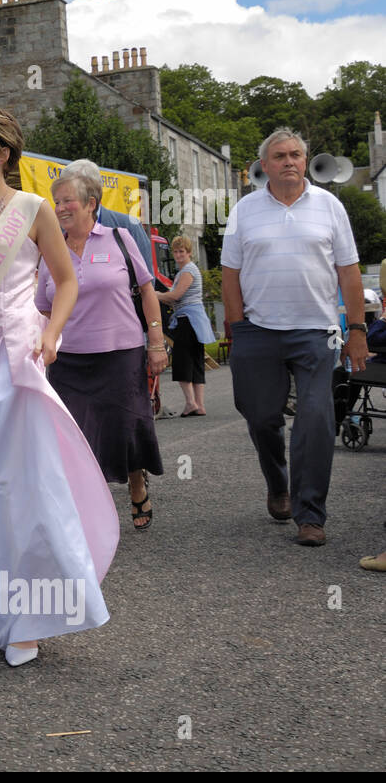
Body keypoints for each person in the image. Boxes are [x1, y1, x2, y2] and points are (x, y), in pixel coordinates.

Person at [0, 103, 118, 668]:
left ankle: (27, 617)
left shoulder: (33, 209)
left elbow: (65, 281)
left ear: (1, 153)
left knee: (17, 487)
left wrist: (53, 333)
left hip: (14, 360)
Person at [222, 128, 366, 546]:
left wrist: (356, 329)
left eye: (296, 155)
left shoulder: (330, 206)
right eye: (280, 156)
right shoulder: (244, 210)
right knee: (262, 417)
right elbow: (230, 275)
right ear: (264, 165)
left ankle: (310, 513)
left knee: (316, 419)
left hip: (316, 332)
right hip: (259, 330)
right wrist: (237, 328)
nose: (289, 161)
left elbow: (349, 272)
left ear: (306, 162)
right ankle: (277, 482)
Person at [37, 160, 168, 531]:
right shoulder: (51, 250)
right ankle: (88, 507)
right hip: (69, 359)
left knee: (123, 426)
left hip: (120, 352)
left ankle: (136, 481)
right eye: (56, 202)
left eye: (68, 201)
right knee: (76, 433)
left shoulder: (119, 239)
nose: (60, 208)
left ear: (91, 203)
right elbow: (44, 305)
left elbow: (146, 289)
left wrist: (156, 341)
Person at [157, 235, 215, 417]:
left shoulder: (187, 271)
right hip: (196, 320)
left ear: (189, 252)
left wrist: (154, 295)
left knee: (183, 361)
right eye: (175, 251)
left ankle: (191, 403)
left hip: (187, 319)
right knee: (196, 361)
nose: (178, 255)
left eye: (181, 251)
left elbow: (176, 296)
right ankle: (199, 404)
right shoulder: (188, 270)